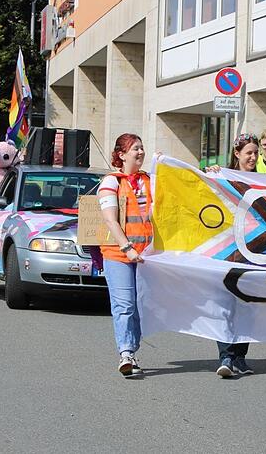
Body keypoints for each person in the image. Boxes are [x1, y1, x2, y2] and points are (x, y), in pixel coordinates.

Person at [206, 133, 261, 377]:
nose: (253, 157)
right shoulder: (223, 178)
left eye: (256, 153)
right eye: (249, 152)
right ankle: (226, 356)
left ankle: (240, 357)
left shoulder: (263, 181)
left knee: (247, 305)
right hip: (227, 251)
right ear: (237, 154)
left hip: (254, 252)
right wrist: (210, 174)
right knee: (226, 304)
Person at [98, 133, 152, 377]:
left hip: (147, 256)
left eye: (142, 148)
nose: (140, 152)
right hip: (118, 255)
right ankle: (126, 353)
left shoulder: (150, 180)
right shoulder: (111, 182)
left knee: (140, 306)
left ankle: (132, 347)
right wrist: (126, 248)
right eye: (135, 149)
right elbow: (110, 219)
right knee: (124, 305)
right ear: (122, 155)